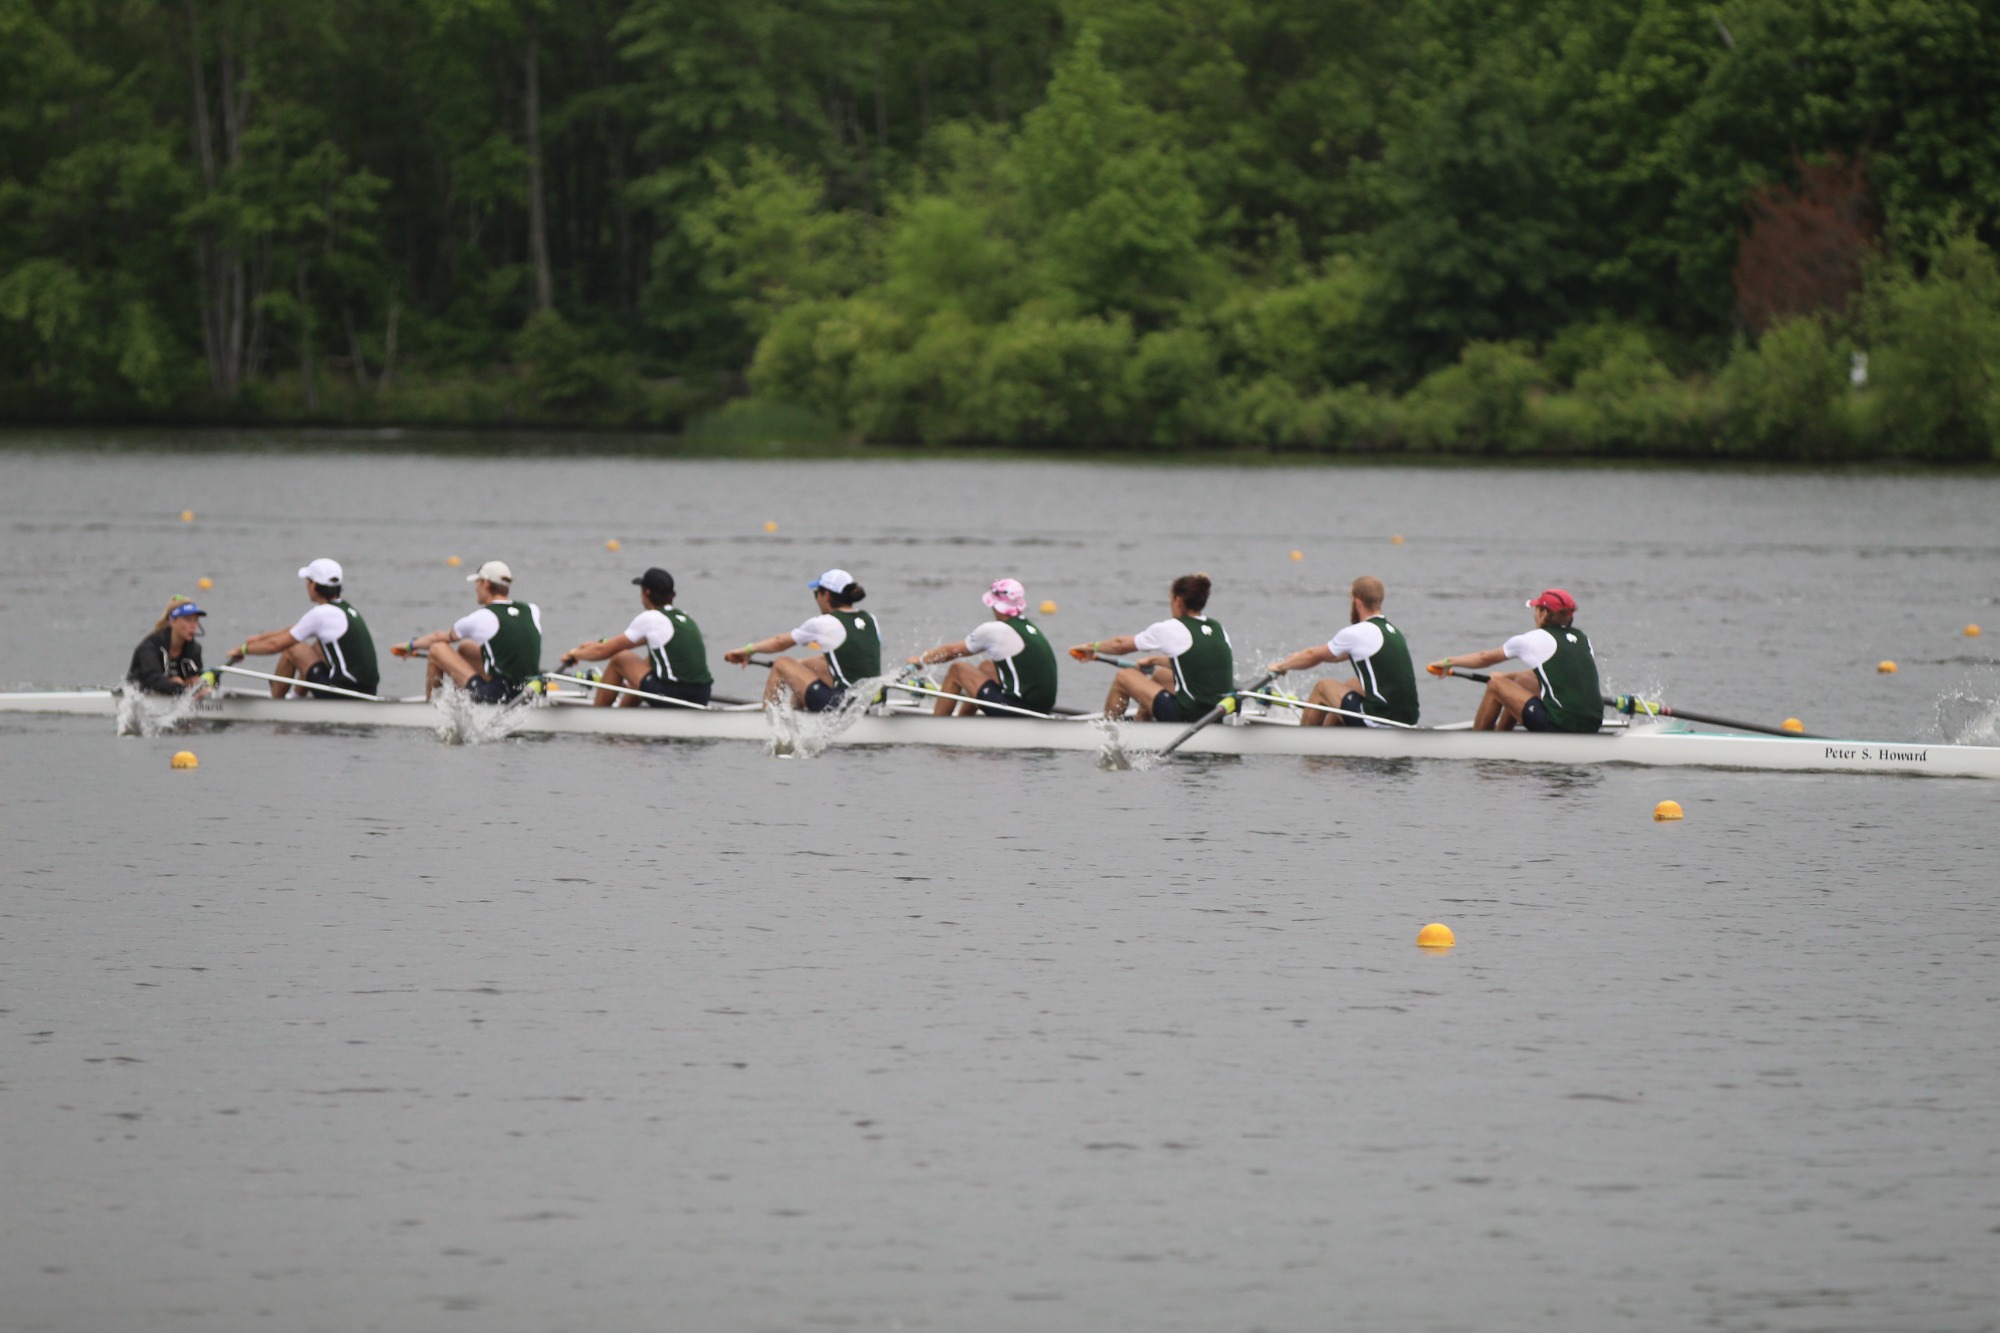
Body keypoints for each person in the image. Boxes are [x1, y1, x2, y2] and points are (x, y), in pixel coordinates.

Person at [1427, 588, 1604, 732]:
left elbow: (1484, 658)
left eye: (1536, 609)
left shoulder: (1533, 638)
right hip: (1593, 724)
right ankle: (1502, 737)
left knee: (1496, 685)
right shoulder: (1582, 639)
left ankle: (1478, 743)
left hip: (1560, 725)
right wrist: (1510, 677)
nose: (1534, 614)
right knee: (1520, 681)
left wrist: (1447, 662)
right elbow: (1556, 675)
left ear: (1544, 613)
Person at [1068, 573, 1234, 722]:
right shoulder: (1218, 628)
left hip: (1190, 715)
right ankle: (1143, 725)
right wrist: (1154, 660)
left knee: (1123, 678)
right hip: (1218, 712)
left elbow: (1120, 646)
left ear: (1177, 600)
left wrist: (1092, 646)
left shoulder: (1171, 627)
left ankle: (1107, 735)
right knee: (1161, 675)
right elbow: (1197, 663)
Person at [1265, 575, 1419, 727]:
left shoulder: (1358, 632)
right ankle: (1332, 738)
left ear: (1357, 602)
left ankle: (1304, 741)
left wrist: (1281, 666)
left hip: (1379, 719)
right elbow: (1330, 656)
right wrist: (1295, 659)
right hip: (1407, 718)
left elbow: (1313, 655)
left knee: (1323, 687)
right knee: (1352, 685)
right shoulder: (1393, 632)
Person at [723, 569, 880, 711]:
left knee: (781, 664)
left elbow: (779, 642)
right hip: (869, 700)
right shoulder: (870, 619)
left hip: (840, 704)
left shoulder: (824, 622)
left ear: (826, 595)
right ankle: (795, 712)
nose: (816, 598)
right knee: (814, 665)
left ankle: (768, 723)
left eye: (816, 593)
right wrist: (798, 669)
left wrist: (746, 650)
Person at [223, 558, 380, 698]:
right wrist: (258, 639)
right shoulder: (344, 609)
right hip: (368, 691)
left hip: (345, 691)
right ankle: (297, 698)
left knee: (292, 649)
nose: (306, 586)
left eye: (307, 581)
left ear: (314, 585)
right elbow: (295, 629)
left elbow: (274, 646)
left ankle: (277, 705)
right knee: (317, 647)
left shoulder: (321, 613)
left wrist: (243, 650)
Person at [557, 567, 712, 708]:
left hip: (676, 694)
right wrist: (590, 647)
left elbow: (605, 651)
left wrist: (574, 653)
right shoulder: (683, 616)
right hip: (702, 694)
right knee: (648, 662)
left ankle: (598, 715)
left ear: (647, 593)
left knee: (620, 660)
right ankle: (624, 714)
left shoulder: (651, 617)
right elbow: (614, 644)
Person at [392, 560, 543, 703]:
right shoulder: (532, 609)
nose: (476, 587)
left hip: (499, 695)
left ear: (486, 583)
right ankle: (462, 702)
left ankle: (432, 709)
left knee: (437, 649)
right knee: (465, 648)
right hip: (529, 690)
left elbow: (439, 637)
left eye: (477, 582)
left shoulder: (482, 616)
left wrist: (409, 645)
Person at [906, 578, 1059, 717]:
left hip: (1018, 709)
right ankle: (965, 720)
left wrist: (921, 660)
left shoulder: (996, 630)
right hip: (1040, 708)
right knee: (987, 667)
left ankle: (936, 727)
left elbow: (952, 652)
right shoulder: (1028, 627)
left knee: (958, 670)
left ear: (996, 605)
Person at [128, 596, 212, 697]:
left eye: (195, 620)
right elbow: (153, 679)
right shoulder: (150, 646)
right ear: (172, 621)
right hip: (137, 696)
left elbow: (196, 677)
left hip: (175, 693)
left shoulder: (195, 649)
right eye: (188, 620)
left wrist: (199, 685)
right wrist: (182, 689)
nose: (193, 626)